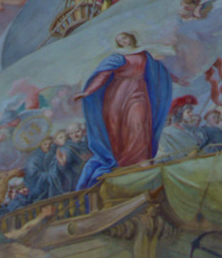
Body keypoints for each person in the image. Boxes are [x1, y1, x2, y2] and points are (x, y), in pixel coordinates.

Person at [73, 32, 175, 188]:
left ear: (131, 38)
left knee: (139, 122)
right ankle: (121, 163)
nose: (123, 42)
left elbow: (160, 68)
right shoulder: (117, 57)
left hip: (138, 91)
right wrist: (87, 92)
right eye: (119, 41)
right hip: (117, 94)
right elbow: (103, 76)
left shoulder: (144, 53)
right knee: (116, 127)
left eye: (124, 38)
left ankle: (140, 160)